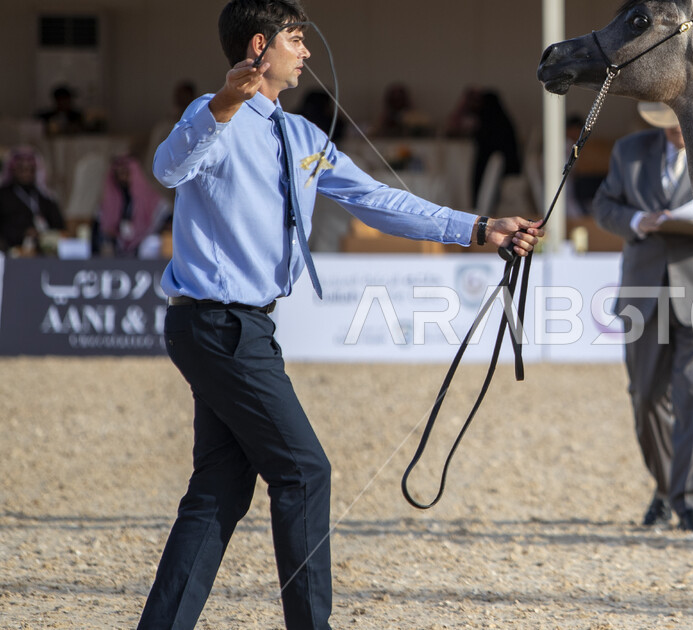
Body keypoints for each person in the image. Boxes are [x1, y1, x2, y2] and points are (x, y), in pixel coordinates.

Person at [136, 2, 542, 629]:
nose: (305, 53)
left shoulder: (299, 135)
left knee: (222, 485)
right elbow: (168, 168)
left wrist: (481, 228)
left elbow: (376, 200)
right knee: (304, 472)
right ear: (259, 45)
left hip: (245, 326)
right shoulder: (212, 117)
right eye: (296, 40)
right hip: (216, 325)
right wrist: (220, 104)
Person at [592, 101, 693, 533]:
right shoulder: (628, 152)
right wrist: (637, 219)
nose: (676, 131)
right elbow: (604, 206)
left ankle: (687, 499)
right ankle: (666, 489)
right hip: (642, 291)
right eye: (668, 123)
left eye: (682, 122)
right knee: (646, 396)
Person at [95, 155, 171, 257]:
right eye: (118, 174)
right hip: (118, 252)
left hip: (146, 250)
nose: (122, 178)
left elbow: (166, 221)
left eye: (125, 173)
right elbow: (102, 227)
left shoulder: (152, 200)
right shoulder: (110, 200)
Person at [0, 146, 65, 254]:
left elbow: (59, 226)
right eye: (21, 169)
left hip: (44, 252)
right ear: (13, 169)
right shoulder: (3, 196)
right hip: (11, 252)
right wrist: (22, 233)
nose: (26, 173)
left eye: (30, 169)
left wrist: (43, 235)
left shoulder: (45, 197)